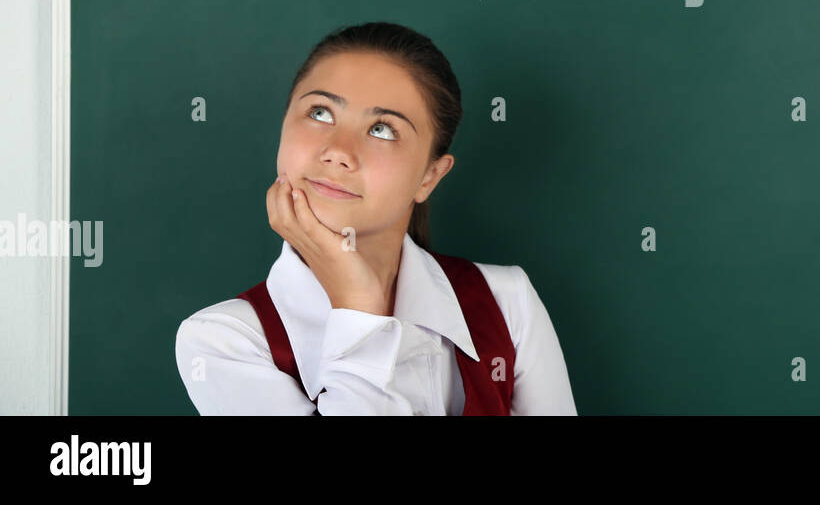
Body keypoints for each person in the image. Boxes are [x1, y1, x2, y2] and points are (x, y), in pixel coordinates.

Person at [175, 21, 576, 415]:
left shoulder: (507, 304)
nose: (339, 151)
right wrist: (358, 304)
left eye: (382, 129)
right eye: (320, 112)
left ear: (429, 177)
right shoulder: (223, 341)